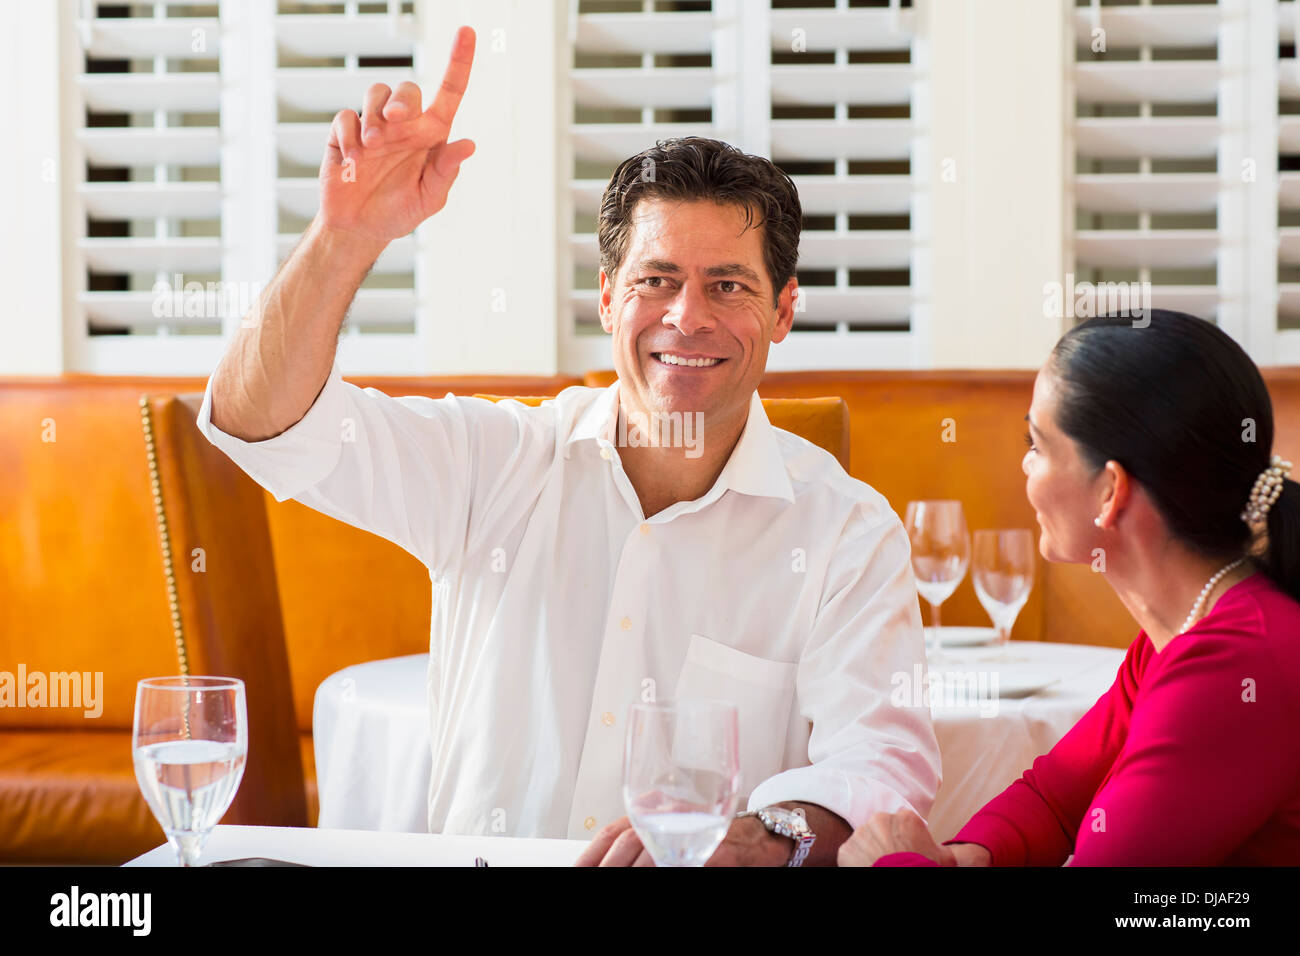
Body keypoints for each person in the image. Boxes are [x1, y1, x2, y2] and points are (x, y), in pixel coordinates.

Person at [194, 25, 940, 867]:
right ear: (608, 301)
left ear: (783, 312)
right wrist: (345, 237)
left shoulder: (847, 531)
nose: (686, 318)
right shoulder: (493, 462)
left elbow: (881, 763)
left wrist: (766, 835)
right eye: (655, 280)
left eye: (727, 285)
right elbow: (259, 424)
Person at [838, 309, 1300, 867]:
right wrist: (957, 859)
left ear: (1110, 491)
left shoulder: (1235, 664)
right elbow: (1056, 799)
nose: (1024, 466)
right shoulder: (1181, 630)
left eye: (1037, 444)